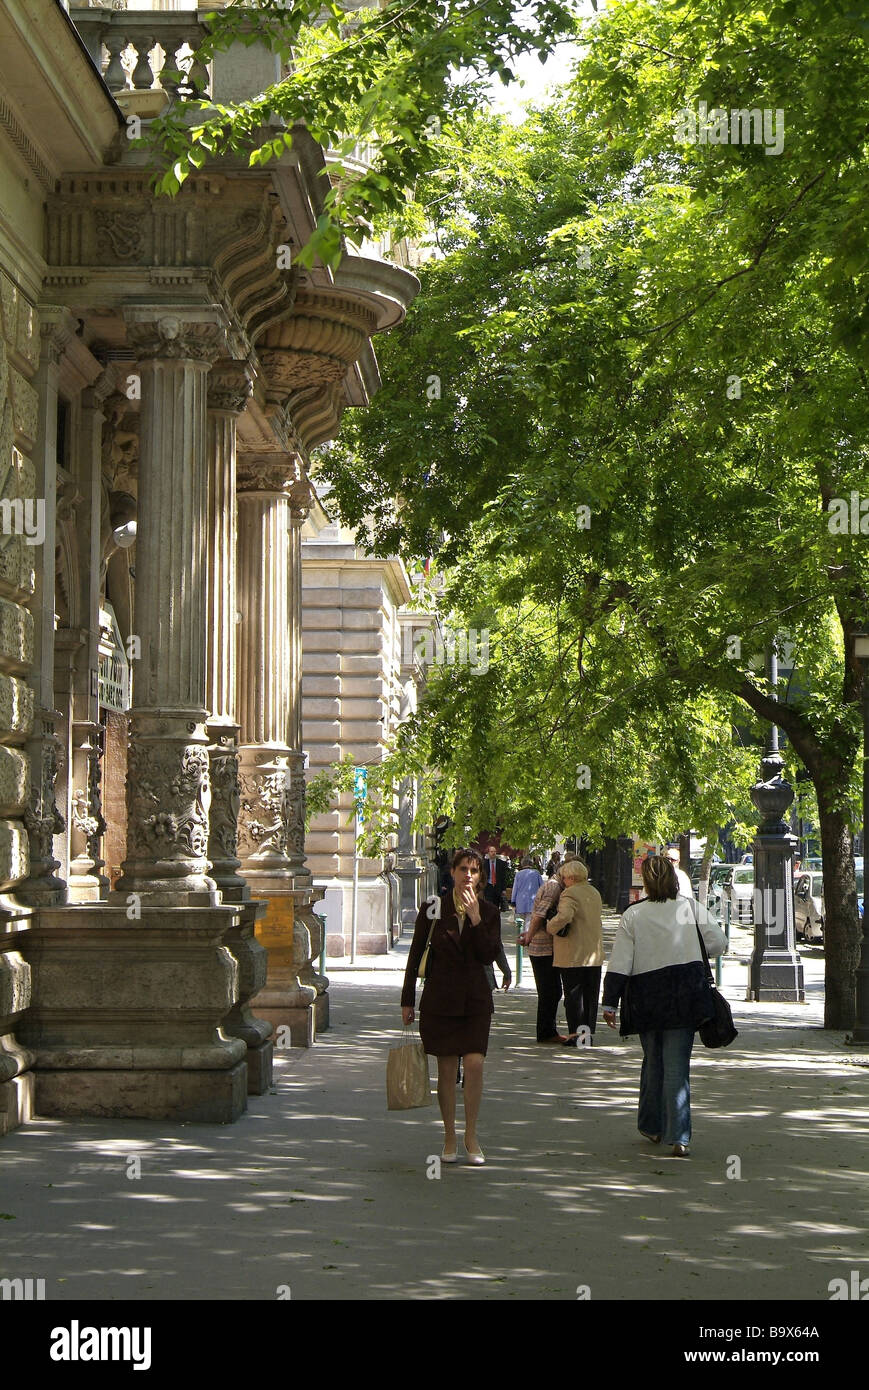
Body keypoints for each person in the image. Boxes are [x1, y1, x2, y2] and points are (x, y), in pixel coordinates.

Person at [600, 855, 726, 1157]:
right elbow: (719, 943)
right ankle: (679, 1136)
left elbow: (621, 962)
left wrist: (610, 1003)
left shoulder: (634, 915)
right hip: (685, 994)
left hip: (646, 997)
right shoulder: (689, 909)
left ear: (646, 882)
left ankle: (651, 1124)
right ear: (673, 878)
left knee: (653, 1060)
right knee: (676, 1065)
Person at [401, 848, 502, 1165]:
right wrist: (407, 1000)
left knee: (474, 1065)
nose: (468, 876)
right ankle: (448, 1137)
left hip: (475, 1001)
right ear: (453, 873)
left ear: (480, 877)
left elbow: (488, 955)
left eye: (474, 871)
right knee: (446, 1071)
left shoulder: (488, 912)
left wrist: (474, 919)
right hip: (441, 1000)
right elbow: (415, 954)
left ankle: (471, 1136)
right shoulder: (433, 908)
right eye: (463, 869)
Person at [546, 859, 604, 1047]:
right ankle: (586, 1036)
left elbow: (565, 916)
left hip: (573, 953)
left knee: (574, 996)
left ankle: (576, 1035)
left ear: (571, 877)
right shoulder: (594, 892)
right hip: (593, 953)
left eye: (563, 878)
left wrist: (550, 926)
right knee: (590, 997)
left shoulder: (569, 893)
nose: (563, 881)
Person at [519, 860, 569, 1043]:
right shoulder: (554, 888)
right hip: (542, 947)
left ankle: (548, 1030)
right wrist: (529, 936)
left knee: (553, 990)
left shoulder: (554, 886)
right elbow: (539, 915)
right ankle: (546, 1032)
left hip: (545, 946)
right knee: (550, 991)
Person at [511, 856, 544, 921]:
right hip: (533, 901)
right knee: (529, 922)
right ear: (532, 863)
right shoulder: (536, 873)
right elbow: (542, 887)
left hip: (520, 901)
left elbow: (515, 889)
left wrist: (513, 901)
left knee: (520, 922)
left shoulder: (518, 874)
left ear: (522, 864)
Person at [482, 842, 509, 909]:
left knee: (496, 906)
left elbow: (504, 877)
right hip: (488, 887)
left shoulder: (501, 863)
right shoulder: (484, 863)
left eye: (494, 851)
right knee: (488, 905)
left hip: (498, 887)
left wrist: (504, 889)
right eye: (491, 851)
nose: (493, 853)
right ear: (488, 853)